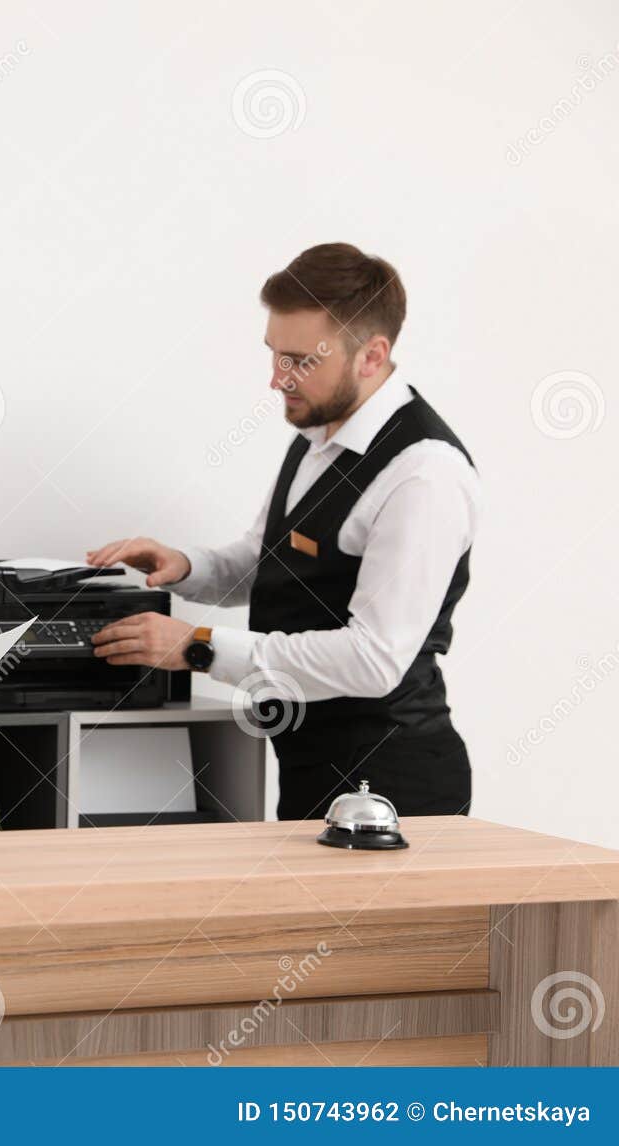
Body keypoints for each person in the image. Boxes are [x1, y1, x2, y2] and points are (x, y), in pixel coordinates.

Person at [87, 242, 480, 821]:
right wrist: (185, 566)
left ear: (372, 355)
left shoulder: (424, 474)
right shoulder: (320, 434)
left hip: (395, 788)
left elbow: (373, 661)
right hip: (309, 768)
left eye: (300, 360)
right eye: (273, 354)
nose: (277, 379)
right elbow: (269, 557)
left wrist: (196, 647)